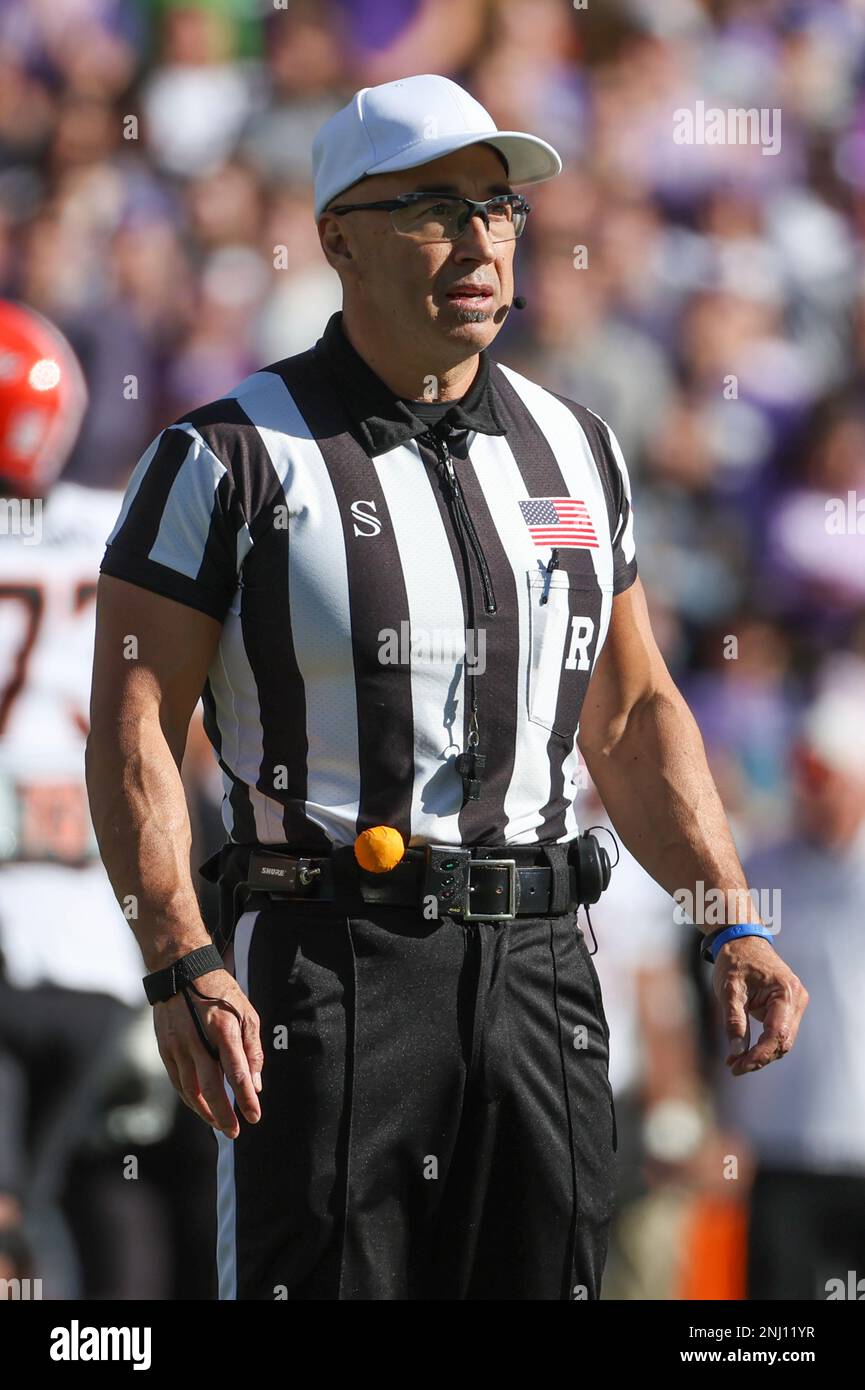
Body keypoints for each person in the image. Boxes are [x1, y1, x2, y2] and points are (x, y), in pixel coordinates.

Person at [86, 74, 808, 1301]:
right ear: (336, 240)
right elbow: (134, 721)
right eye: (432, 206)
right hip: (326, 960)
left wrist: (728, 913)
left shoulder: (577, 442)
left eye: (498, 204)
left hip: (539, 962)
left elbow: (630, 712)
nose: (479, 236)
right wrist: (178, 955)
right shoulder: (228, 453)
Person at [0, 300, 144, 1296]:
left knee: (15, 1212)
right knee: (45, 1200)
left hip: (6, 934)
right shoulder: (119, 527)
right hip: (105, 943)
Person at [715, 661, 865, 1300]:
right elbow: (721, 1002)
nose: (814, 793)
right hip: (782, 1144)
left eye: (827, 777)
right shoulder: (760, 872)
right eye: (806, 778)